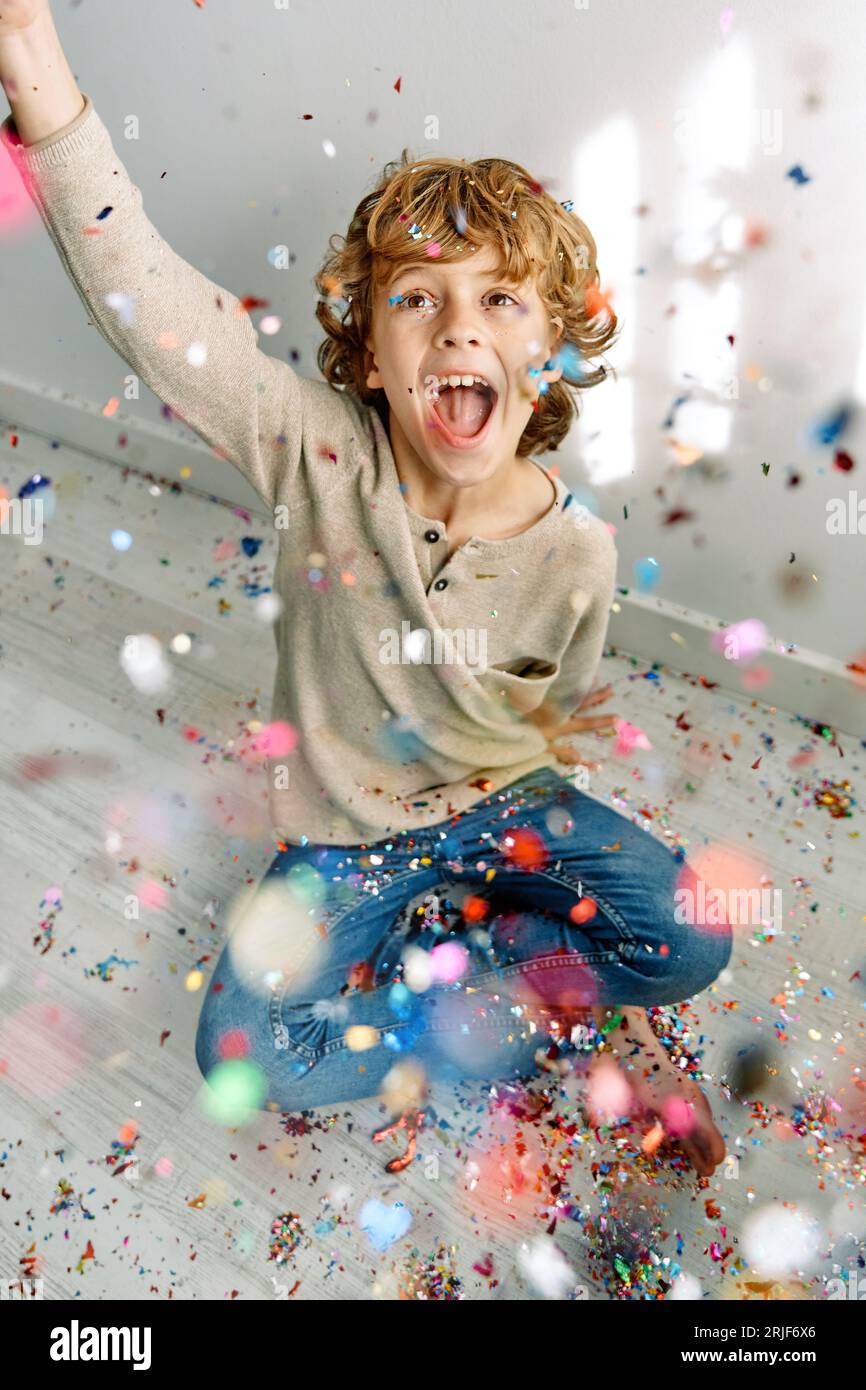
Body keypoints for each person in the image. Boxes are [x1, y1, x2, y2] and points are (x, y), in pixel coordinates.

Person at [0, 0, 731, 1177]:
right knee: (246, 1053)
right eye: (418, 299)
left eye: (498, 300)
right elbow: (155, 302)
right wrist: (31, 60)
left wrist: (507, 823)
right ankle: (465, 1020)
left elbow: (547, 716)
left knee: (694, 935)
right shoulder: (316, 450)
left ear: (544, 347)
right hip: (345, 838)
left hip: (502, 811)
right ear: (370, 350)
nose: (458, 328)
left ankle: (491, 975)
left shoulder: (576, 552)